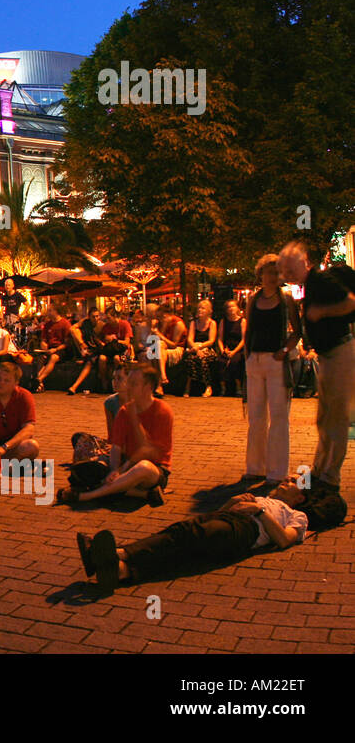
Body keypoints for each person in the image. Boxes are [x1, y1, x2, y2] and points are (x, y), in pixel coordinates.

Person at [76, 482, 345, 591]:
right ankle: (121, 570)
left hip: (246, 531)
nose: (284, 481)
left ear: (299, 497)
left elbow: (284, 540)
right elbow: (218, 514)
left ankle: (117, 554)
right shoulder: (262, 497)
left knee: (187, 536)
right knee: (180, 541)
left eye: (290, 483)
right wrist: (232, 502)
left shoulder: (296, 514)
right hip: (228, 519)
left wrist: (260, 511)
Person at [278, 241, 355, 491]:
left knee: (336, 417)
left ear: (303, 263)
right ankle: (321, 470)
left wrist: (321, 312)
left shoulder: (320, 281)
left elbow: (350, 302)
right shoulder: (310, 285)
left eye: (289, 271)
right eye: (284, 272)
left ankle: (329, 476)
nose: (287, 277)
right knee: (325, 417)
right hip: (329, 353)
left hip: (339, 352)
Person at [57, 364, 172, 507]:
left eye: (134, 384)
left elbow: (150, 451)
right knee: (94, 461)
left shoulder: (162, 411)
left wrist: (120, 470)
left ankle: (87, 495)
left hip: (154, 469)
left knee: (143, 467)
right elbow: (116, 446)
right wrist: (114, 469)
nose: (129, 387)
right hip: (127, 463)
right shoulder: (124, 410)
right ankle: (141, 493)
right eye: (129, 382)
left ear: (148, 387)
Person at [240, 254, 303, 483]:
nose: (273, 276)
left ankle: (276, 472)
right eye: (269, 271)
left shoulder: (286, 299)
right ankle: (255, 467)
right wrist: (247, 356)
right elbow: (248, 330)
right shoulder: (253, 299)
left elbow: (297, 331)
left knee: (278, 417)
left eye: (277, 272)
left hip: (276, 362)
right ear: (261, 274)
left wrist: (284, 352)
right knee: (256, 417)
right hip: (255, 361)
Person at [179, 299, 219, 398]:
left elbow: (211, 340)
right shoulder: (193, 323)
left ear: (209, 311)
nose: (200, 310)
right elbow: (190, 339)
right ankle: (188, 387)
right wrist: (196, 348)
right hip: (194, 348)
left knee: (203, 358)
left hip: (207, 348)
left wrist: (200, 347)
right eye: (199, 308)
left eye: (203, 308)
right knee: (190, 359)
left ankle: (208, 386)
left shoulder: (212, 323)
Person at [34, 305, 74, 388]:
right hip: (50, 349)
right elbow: (43, 339)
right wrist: (44, 345)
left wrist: (55, 349)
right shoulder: (48, 325)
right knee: (41, 359)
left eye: (50, 310)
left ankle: (39, 379)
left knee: (53, 357)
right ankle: (38, 383)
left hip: (61, 349)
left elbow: (67, 343)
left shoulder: (65, 324)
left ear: (56, 311)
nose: (48, 313)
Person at [152, 305, 188, 397]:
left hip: (176, 348)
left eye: (160, 317)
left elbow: (174, 344)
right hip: (162, 348)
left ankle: (159, 385)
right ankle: (161, 380)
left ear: (166, 315)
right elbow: (152, 340)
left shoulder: (178, 324)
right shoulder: (160, 323)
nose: (159, 320)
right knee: (155, 350)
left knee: (157, 350)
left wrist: (160, 334)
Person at [217, 299, 246, 398]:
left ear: (237, 308)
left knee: (235, 361)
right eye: (229, 307)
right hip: (226, 348)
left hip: (238, 348)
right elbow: (220, 338)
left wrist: (234, 351)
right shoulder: (223, 321)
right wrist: (222, 350)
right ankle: (223, 387)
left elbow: (243, 340)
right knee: (221, 361)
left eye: (233, 306)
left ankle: (238, 387)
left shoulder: (242, 321)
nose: (231, 309)